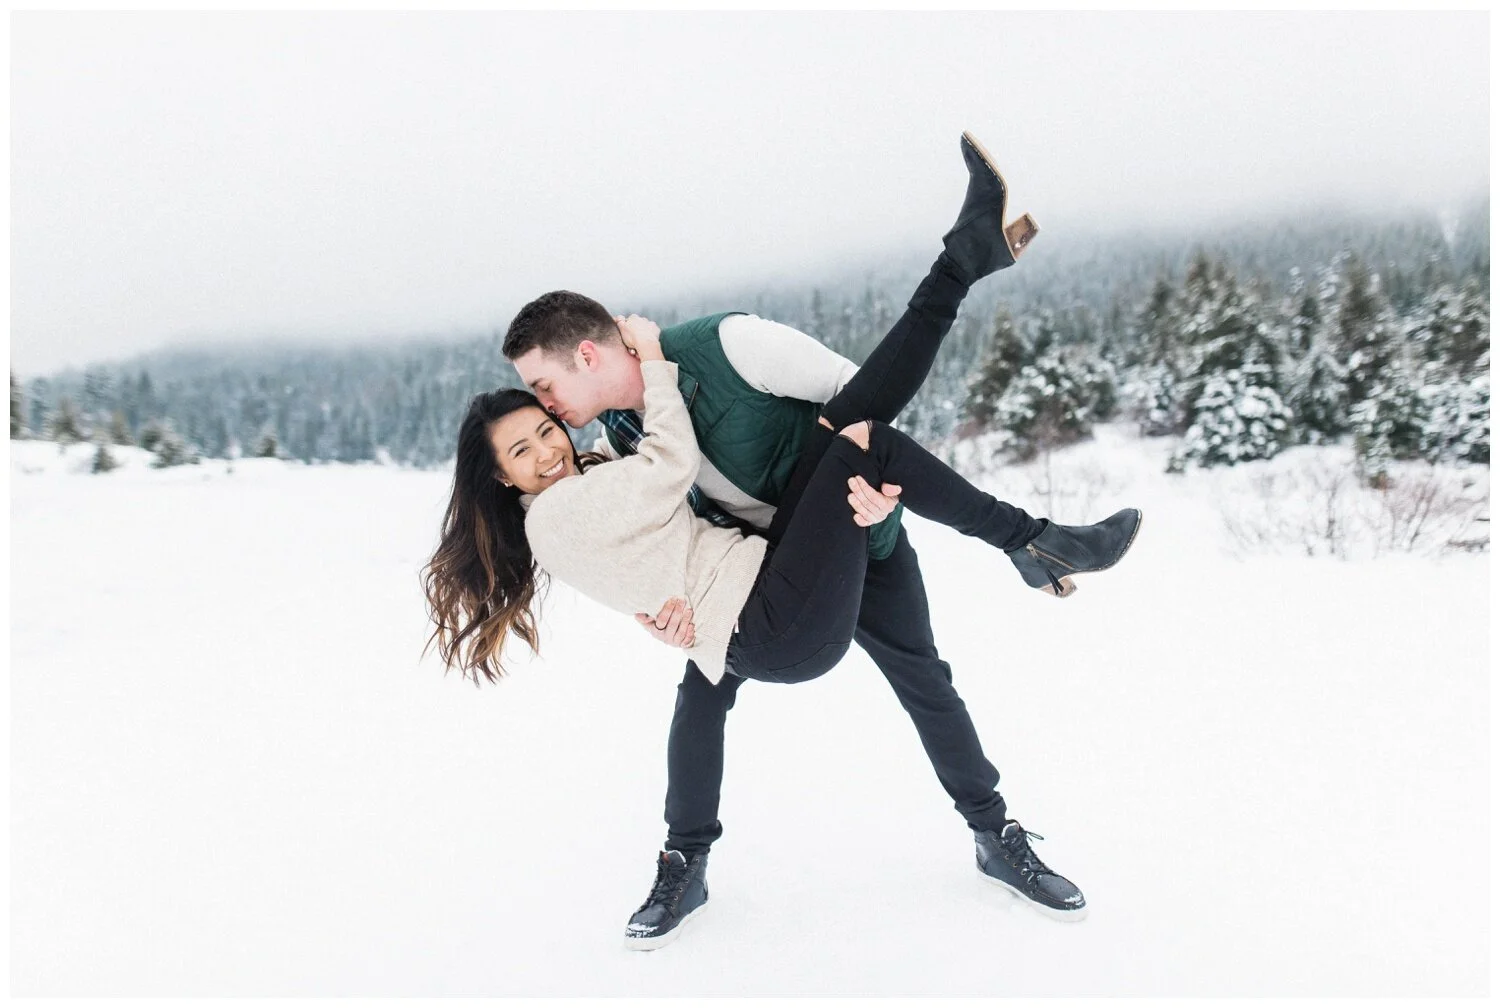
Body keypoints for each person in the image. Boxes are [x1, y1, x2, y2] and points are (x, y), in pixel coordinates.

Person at [426, 133, 1141, 949]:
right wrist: (656, 607)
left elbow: (859, 405)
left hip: (857, 532)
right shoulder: (622, 437)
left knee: (924, 677)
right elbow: (646, 535)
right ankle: (685, 866)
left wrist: (879, 494)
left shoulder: (728, 345)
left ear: (585, 354)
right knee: (701, 694)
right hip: (759, 582)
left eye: (544, 386)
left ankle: (995, 836)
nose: (547, 407)